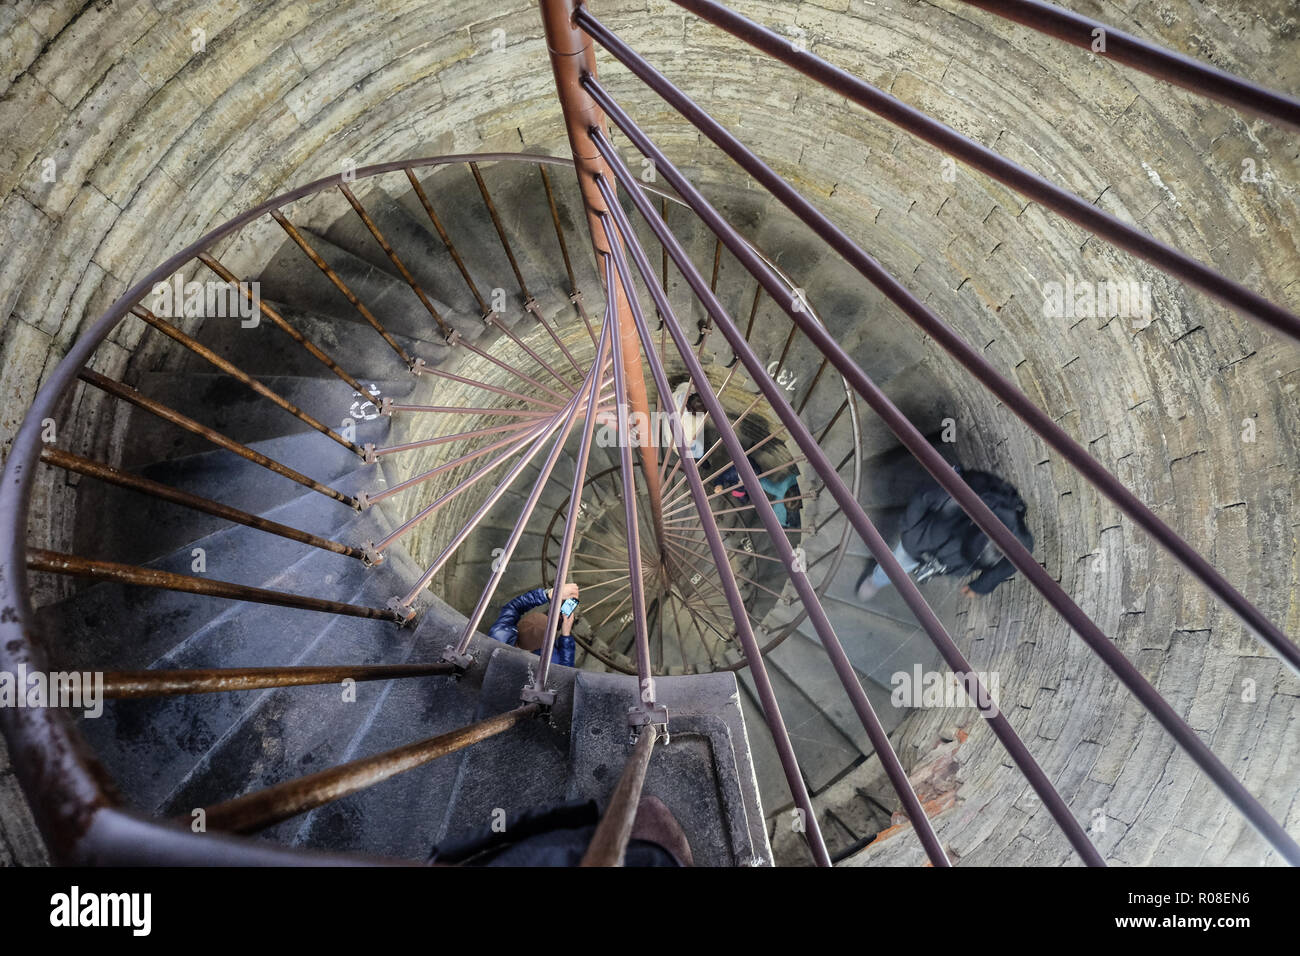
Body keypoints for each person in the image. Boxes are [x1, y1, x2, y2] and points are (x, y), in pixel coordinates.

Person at [855, 467, 1033, 601]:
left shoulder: (1017, 540)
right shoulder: (960, 499)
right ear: (972, 523)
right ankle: (877, 580)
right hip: (922, 539)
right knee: (897, 563)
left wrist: (981, 586)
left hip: (948, 561)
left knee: (909, 564)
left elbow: (1015, 562)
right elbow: (923, 497)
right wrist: (910, 526)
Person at [488, 582, 579, 667]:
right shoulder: (550, 664)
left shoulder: (499, 634)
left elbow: (514, 607)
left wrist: (549, 594)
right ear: (543, 645)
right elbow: (566, 670)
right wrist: (566, 635)